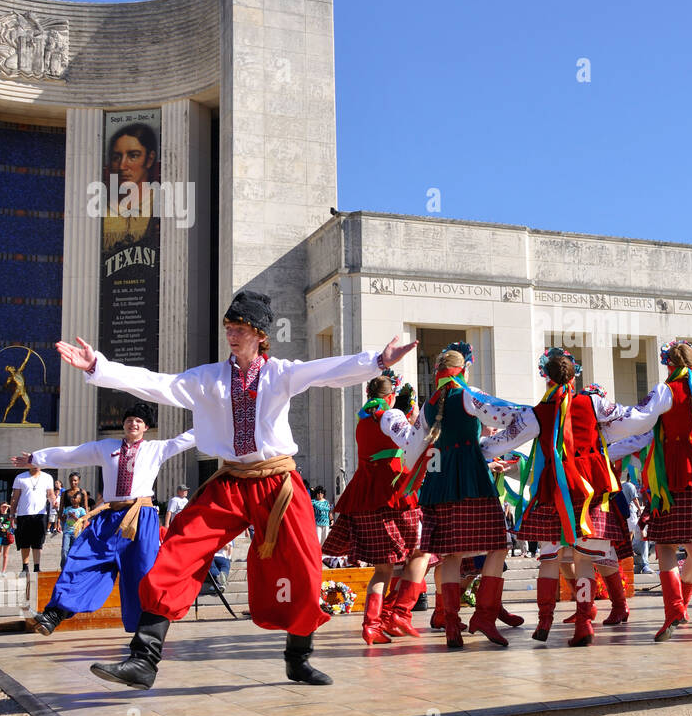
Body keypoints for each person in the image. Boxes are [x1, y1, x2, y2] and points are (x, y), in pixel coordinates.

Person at [56, 289, 416, 688]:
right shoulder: (208, 378)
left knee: (304, 565)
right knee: (178, 550)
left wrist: (377, 362)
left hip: (278, 482)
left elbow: (323, 372)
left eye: (240, 328)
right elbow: (158, 384)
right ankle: (144, 658)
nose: (232, 334)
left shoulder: (279, 372)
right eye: (229, 326)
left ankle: (299, 657)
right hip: (229, 482)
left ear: (261, 333)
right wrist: (99, 367)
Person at [491, 350, 638, 646]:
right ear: (574, 376)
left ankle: (545, 619)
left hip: (553, 492)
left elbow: (507, 440)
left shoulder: (537, 412)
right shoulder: (592, 402)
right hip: (589, 491)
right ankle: (584, 621)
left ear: (547, 377)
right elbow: (628, 417)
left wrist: (478, 450)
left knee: (548, 558)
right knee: (585, 561)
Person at [16, 404, 196, 637]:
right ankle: (55, 614)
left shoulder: (156, 448)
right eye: (130, 419)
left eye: (139, 421)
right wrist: (36, 458)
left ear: (146, 427)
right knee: (82, 558)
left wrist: (222, 419)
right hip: (109, 517)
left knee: (142, 572)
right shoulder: (106, 447)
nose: (134, 424)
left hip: (140, 518)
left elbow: (186, 439)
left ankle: (146, 632)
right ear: (123, 423)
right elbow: (73, 454)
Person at [602, 340, 692, 641]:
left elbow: (641, 419)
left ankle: (675, 609)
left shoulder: (666, 390)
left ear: (669, 364)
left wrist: (605, 428)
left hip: (676, 475)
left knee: (664, 544)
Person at [401, 341, 525, 649]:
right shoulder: (469, 397)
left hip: (439, 484)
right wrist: (492, 446)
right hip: (472, 480)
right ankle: (483, 615)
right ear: (463, 371)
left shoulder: (429, 405)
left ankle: (452, 625)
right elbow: (509, 416)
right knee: (498, 546)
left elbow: (409, 453)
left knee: (452, 555)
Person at [320, 370, 429, 646]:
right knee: (424, 551)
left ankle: (372, 625)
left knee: (383, 570)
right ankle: (399, 613)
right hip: (392, 491)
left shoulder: (363, 419)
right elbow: (410, 440)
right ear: (390, 396)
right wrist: (415, 419)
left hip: (365, 492)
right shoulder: (389, 416)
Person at [10, 463, 56, 574]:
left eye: (38, 463)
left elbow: (50, 494)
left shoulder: (47, 477)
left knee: (38, 542)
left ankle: (37, 567)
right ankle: (25, 567)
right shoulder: (20, 477)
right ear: (28, 464)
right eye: (33, 463)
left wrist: (53, 501)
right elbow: (15, 498)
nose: (35, 466)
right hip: (23, 514)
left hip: (40, 514)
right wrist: (12, 515)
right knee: (24, 542)